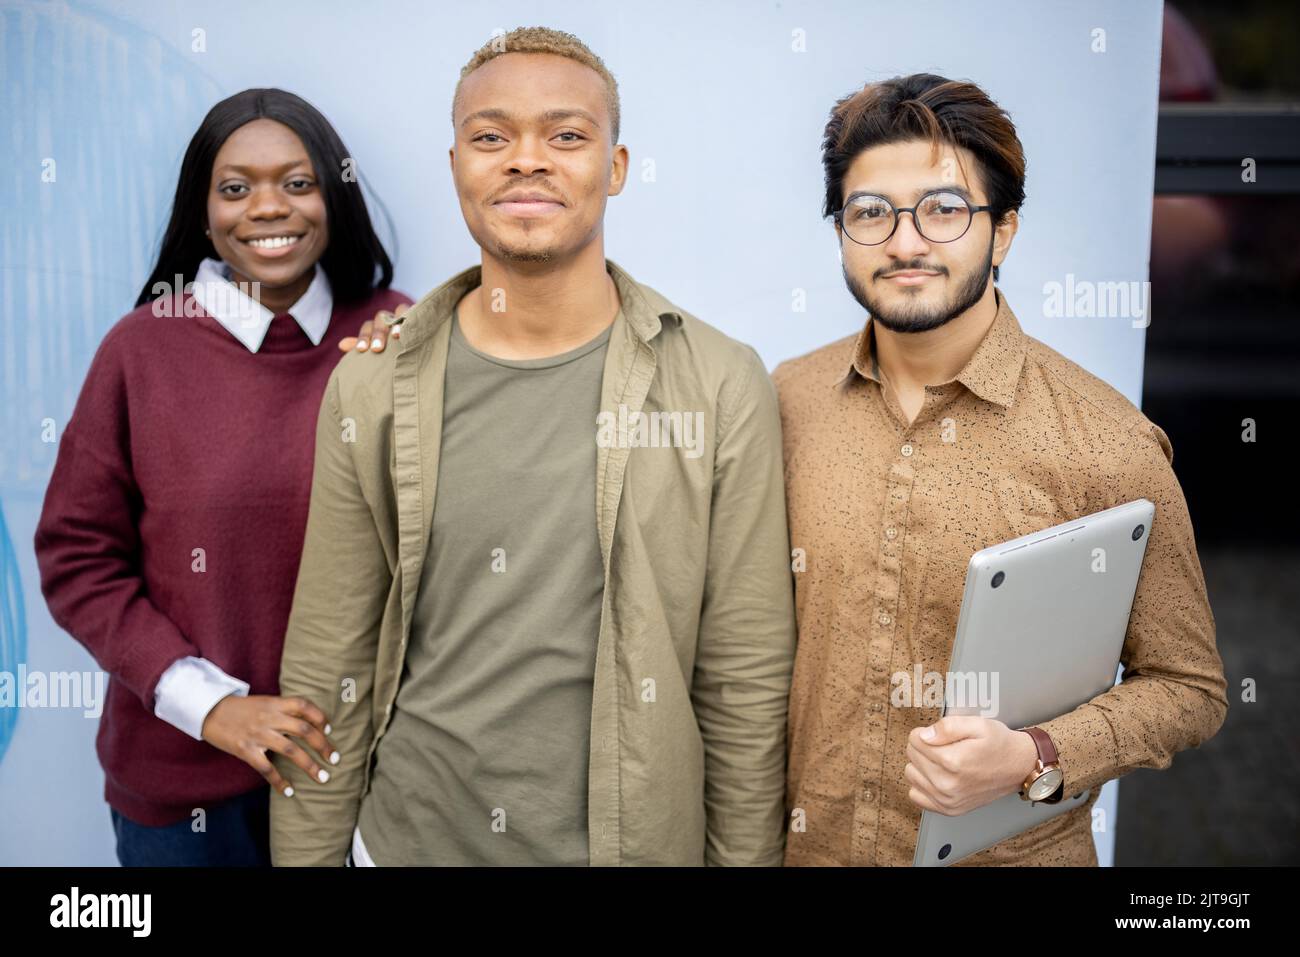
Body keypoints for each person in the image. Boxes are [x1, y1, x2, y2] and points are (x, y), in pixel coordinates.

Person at [269, 27, 797, 866]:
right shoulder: (371, 385)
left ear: (616, 168)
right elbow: (331, 655)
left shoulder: (721, 382)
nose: (526, 159)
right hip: (409, 841)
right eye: (491, 136)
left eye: (566, 135)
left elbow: (744, 682)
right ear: (455, 167)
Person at [774, 73, 1228, 865]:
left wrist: (1036, 755)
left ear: (1005, 230)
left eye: (945, 210)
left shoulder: (1106, 441)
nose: (905, 242)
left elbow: (1190, 688)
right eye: (870, 212)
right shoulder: (784, 403)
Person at [33, 88, 411, 866]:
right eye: (236, 188)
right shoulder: (141, 351)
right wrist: (214, 708)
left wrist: (419, 370)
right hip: (182, 799)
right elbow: (77, 561)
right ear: (202, 213)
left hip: (363, 780)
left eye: (298, 183)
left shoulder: (394, 336)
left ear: (332, 198)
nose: (268, 208)